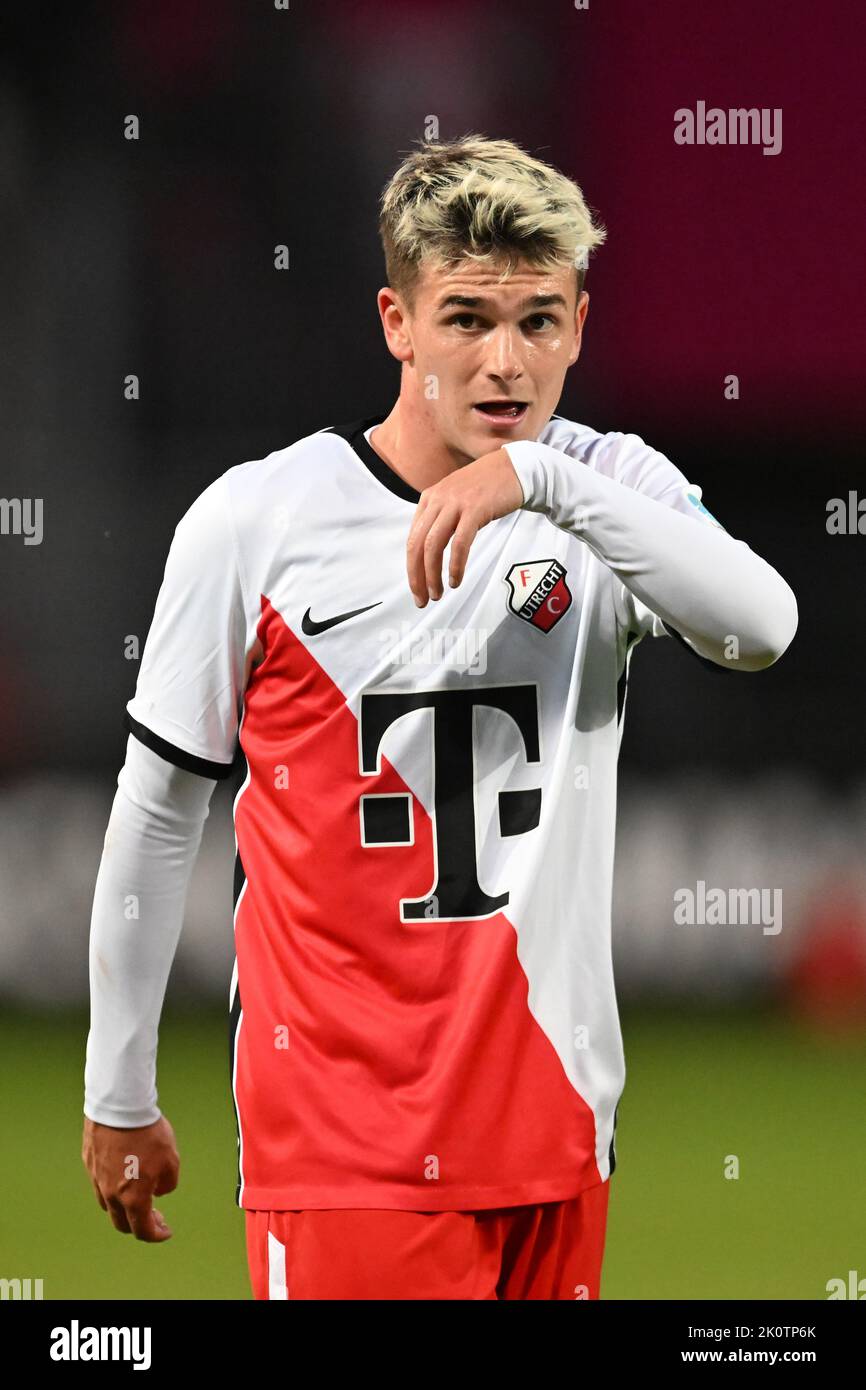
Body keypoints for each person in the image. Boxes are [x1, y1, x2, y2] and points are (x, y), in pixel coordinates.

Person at [82, 134, 798, 1300]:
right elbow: (159, 812)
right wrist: (118, 1090)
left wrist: (544, 481)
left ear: (578, 321)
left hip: (558, 1130)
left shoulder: (605, 487)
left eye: (538, 320)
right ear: (394, 322)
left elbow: (761, 625)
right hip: (345, 1154)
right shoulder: (257, 521)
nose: (503, 361)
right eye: (464, 317)